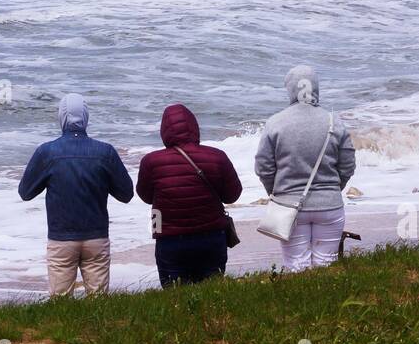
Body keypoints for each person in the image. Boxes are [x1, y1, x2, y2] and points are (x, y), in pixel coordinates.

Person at [18, 93, 134, 296]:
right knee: (99, 303)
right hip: (96, 237)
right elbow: (126, 194)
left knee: (60, 304)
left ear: (61, 117)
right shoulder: (105, 152)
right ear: (86, 117)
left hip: (61, 239)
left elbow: (25, 192)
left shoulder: (47, 152)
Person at [254, 65, 357, 272]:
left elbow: (263, 166)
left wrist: (276, 192)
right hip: (330, 206)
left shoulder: (275, 123)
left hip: (289, 206)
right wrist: (333, 190)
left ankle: (300, 303)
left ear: (290, 90)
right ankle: (327, 303)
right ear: (316, 88)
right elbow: (347, 164)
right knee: (326, 266)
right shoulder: (333, 121)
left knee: (296, 266)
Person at [136, 103, 242, 287]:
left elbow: (146, 197)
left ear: (164, 131)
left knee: (175, 296)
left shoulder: (150, 162)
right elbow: (232, 195)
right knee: (213, 293)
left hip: (169, 240)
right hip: (212, 237)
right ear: (194, 128)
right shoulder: (217, 156)